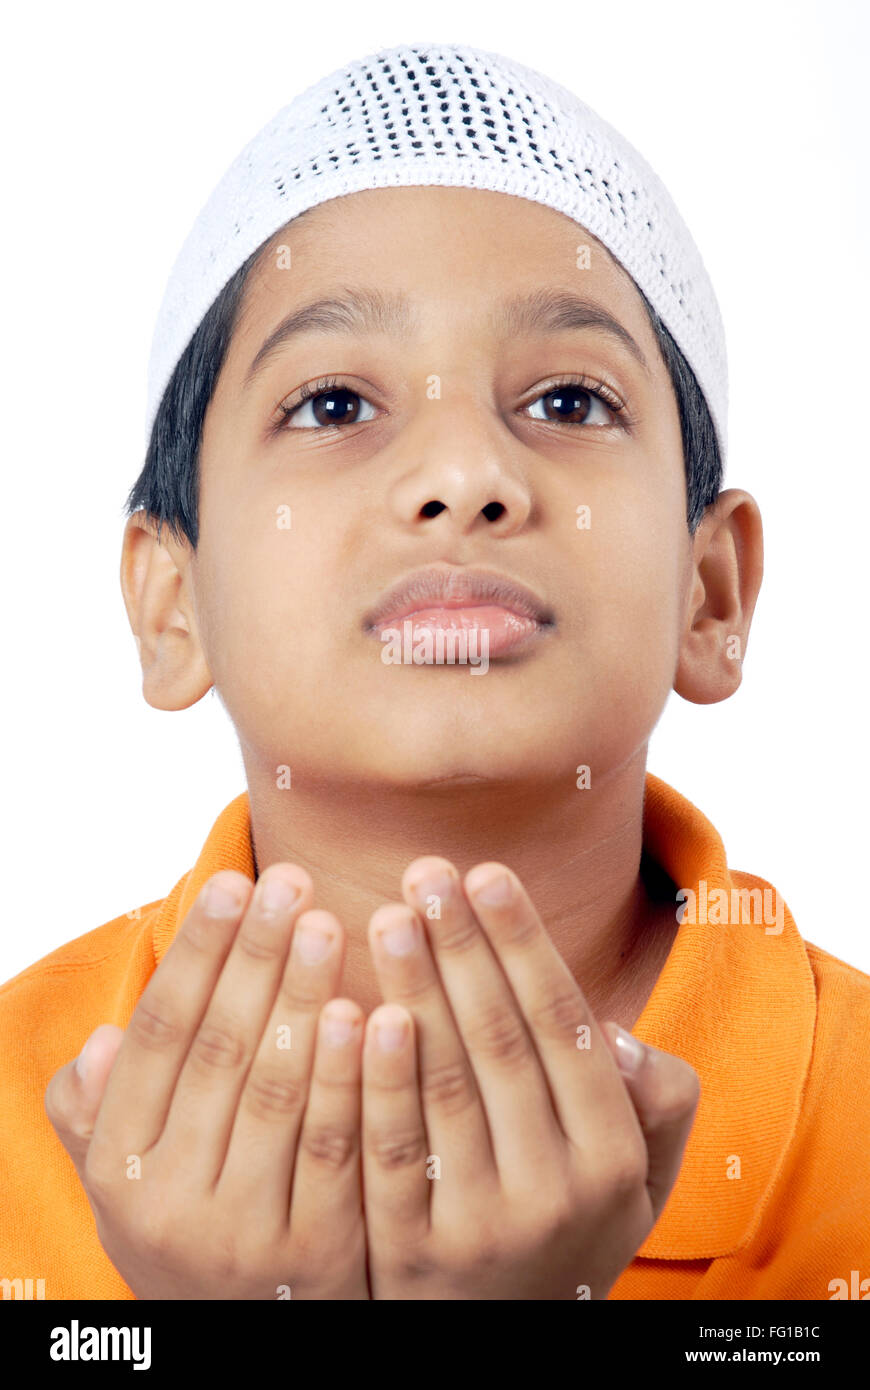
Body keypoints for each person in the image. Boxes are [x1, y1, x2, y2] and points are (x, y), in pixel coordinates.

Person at [2, 39, 867, 1301]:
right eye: (335, 405)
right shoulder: (27, 1096)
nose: (465, 475)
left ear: (712, 592)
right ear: (170, 599)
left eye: (569, 402)